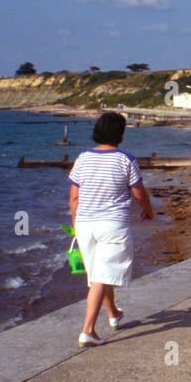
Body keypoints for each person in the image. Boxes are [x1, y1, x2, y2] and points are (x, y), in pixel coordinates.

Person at [69, 112, 154, 345]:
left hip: (85, 225)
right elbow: (139, 193)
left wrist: (76, 224)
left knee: (97, 274)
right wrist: (148, 210)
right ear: (121, 134)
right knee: (101, 276)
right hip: (113, 224)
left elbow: (74, 198)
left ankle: (113, 313)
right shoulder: (125, 160)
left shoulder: (83, 159)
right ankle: (88, 330)